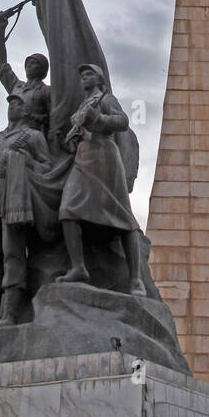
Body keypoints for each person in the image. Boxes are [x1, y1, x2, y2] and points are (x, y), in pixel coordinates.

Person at [57, 63, 145, 296]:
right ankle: (78, 267)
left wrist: (98, 118)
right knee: (67, 210)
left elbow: (122, 122)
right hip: (83, 156)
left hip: (105, 157)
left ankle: (136, 280)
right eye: (82, 75)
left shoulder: (105, 99)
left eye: (88, 75)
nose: (84, 78)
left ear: (98, 79)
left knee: (124, 217)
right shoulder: (82, 104)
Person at [0, 92, 51, 326]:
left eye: (17, 104)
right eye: (11, 104)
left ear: (26, 111)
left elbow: (46, 167)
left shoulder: (33, 137)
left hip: (14, 197)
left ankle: (10, 313)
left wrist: (26, 161)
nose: (12, 107)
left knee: (12, 251)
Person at [0, 11, 51, 146]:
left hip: (32, 138)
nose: (29, 66)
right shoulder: (16, 86)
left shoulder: (47, 91)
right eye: (28, 64)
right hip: (12, 132)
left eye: (34, 64)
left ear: (42, 69)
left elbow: (54, 119)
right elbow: (1, 64)